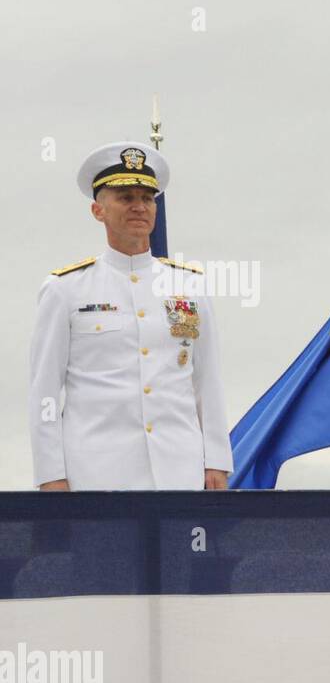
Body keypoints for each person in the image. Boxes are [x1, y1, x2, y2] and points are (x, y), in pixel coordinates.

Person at [29, 141, 232, 491]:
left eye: (147, 198)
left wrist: (216, 461)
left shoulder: (190, 286)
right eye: (125, 198)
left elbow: (206, 382)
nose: (139, 207)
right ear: (98, 210)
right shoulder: (65, 289)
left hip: (179, 471)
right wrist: (51, 476)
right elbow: (45, 391)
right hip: (96, 475)